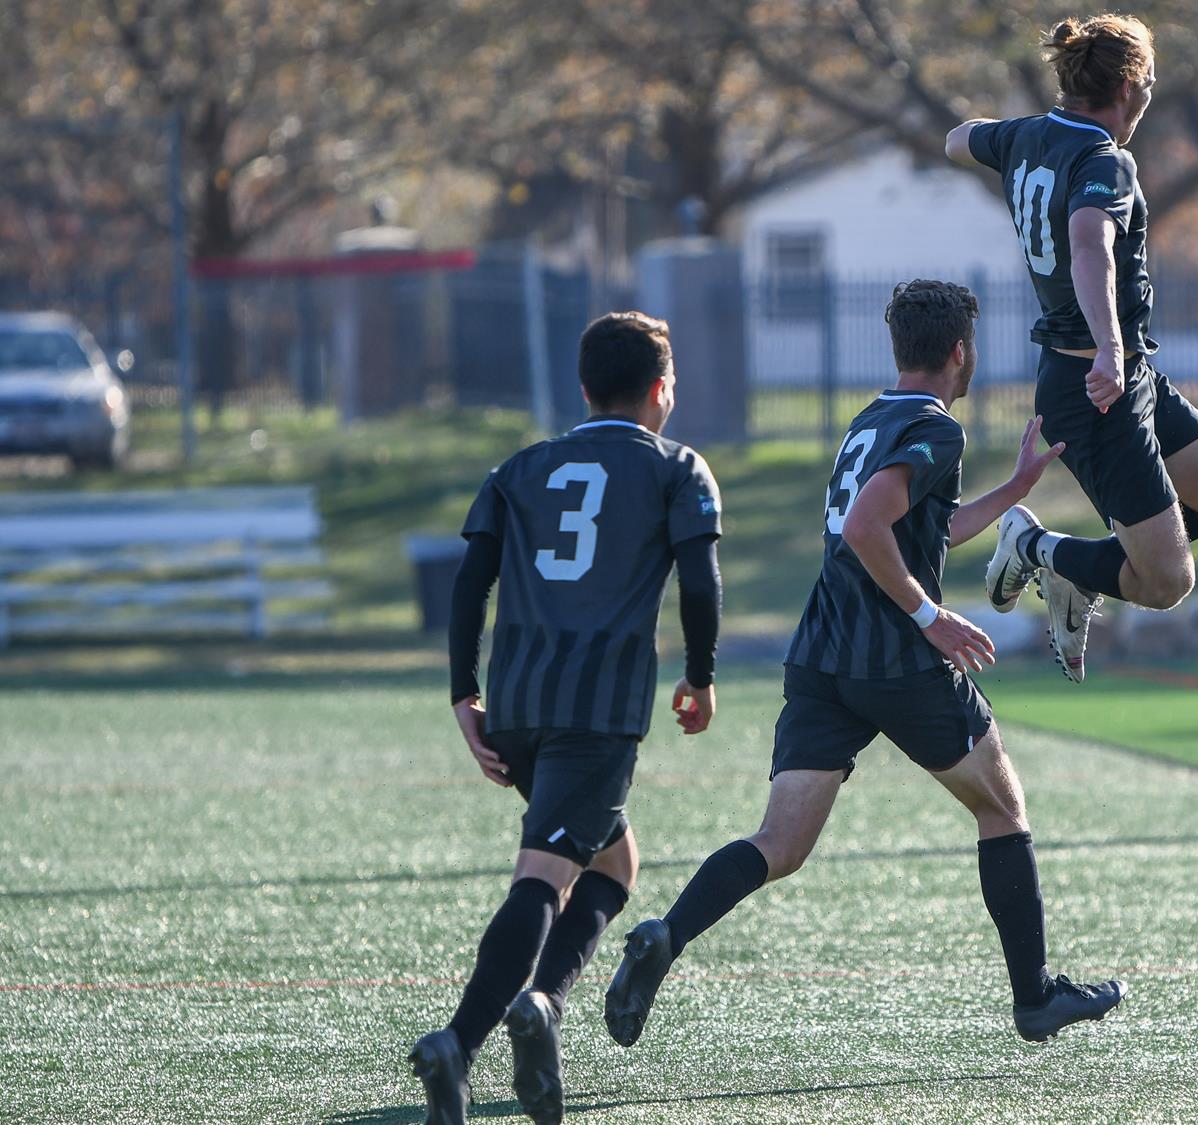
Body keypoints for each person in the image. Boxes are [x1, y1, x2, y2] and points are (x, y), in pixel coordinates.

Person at [602, 279, 1125, 1051]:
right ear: (959, 352)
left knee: (778, 844)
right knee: (1002, 808)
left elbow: (919, 527)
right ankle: (1034, 996)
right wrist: (930, 616)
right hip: (896, 658)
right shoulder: (936, 427)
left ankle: (666, 934)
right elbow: (865, 524)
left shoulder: (871, 419)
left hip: (823, 656)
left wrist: (1012, 490)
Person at [409, 311, 725, 1125]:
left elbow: (468, 584)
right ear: (662, 390)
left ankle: (544, 1000)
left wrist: (461, 694)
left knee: (614, 864)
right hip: (596, 712)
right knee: (543, 877)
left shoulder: (517, 467)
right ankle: (464, 1038)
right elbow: (700, 581)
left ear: (584, 390)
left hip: (514, 703)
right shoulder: (677, 468)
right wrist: (700, 675)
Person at [944, 13, 1198, 683]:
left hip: (1127, 375)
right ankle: (1036, 547)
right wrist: (1110, 349)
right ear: (1130, 86)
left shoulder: (1029, 135)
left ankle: (1066, 563)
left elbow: (956, 140)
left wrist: (1004, 143)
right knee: (1168, 581)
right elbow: (1089, 244)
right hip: (1096, 388)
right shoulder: (1103, 159)